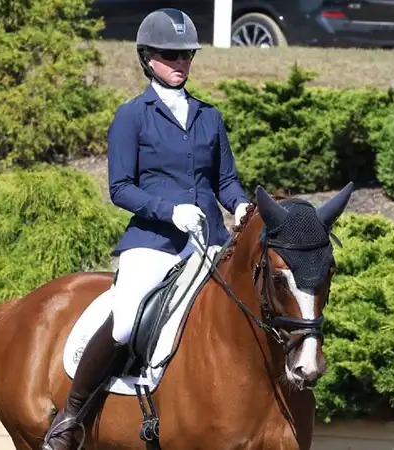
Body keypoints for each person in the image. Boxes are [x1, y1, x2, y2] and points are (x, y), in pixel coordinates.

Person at [43, 8, 252, 450]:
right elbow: (120, 188)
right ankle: (71, 416)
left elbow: (226, 180)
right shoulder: (132, 116)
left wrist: (241, 205)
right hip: (154, 243)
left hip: (209, 242)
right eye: (169, 55)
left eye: (186, 56)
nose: (180, 63)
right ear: (147, 58)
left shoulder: (208, 116)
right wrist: (169, 211)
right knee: (125, 320)